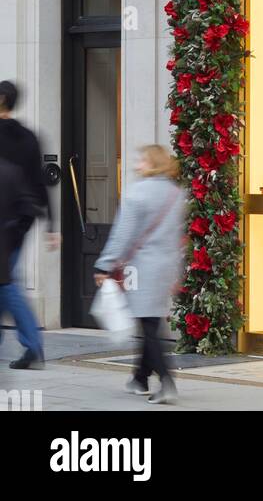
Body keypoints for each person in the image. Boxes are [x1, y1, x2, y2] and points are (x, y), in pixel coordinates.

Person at [94, 145, 186, 404]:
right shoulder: (175, 194)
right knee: (151, 322)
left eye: (142, 160)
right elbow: (178, 236)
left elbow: (123, 235)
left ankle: (166, 381)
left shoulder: (137, 193)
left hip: (142, 267)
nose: (137, 164)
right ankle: (139, 378)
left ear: (152, 163)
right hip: (166, 267)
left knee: (148, 326)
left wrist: (104, 265)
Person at [0, 80, 57, 369]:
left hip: (5, 219)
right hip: (22, 219)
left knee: (7, 283)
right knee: (4, 279)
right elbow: (41, 180)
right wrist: (51, 224)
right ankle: (32, 347)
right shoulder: (29, 136)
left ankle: (33, 347)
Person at [0, 159, 39, 339]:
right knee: (8, 290)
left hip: (7, 244)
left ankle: (32, 344)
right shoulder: (12, 170)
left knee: (8, 290)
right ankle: (33, 345)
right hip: (8, 243)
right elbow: (29, 209)